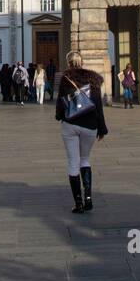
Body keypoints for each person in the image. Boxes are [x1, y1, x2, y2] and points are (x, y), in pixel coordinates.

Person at [55, 51, 107, 213]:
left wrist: (59, 116)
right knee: (85, 159)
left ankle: (78, 203)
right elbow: (98, 105)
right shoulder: (94, 79)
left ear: (68, 63)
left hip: (70, 124)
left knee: (73, 162)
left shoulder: (65, 78)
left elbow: (61, 102)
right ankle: (89, 199)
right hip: (89, 125)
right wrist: (102, 128)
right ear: (82, 62)